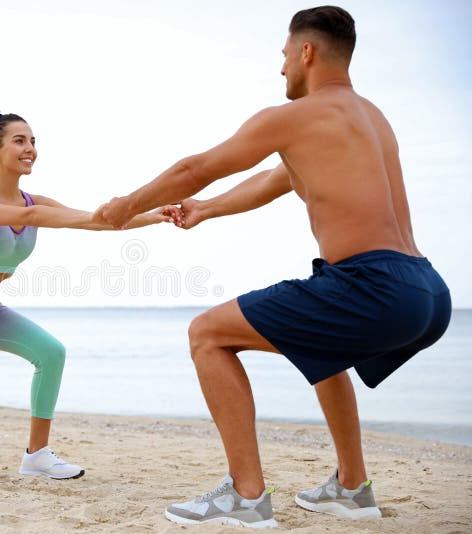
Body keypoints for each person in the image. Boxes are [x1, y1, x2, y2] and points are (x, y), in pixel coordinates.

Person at [95, 5, 451, 528]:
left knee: (208, 334)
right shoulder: (371, 119)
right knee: (321, 349)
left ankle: (245, 496)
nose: (281, 69)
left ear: (306, 52)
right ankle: (352, 488)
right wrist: (209, 209)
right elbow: (275, 179)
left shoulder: (294, 116)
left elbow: (195, 167)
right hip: (427, 290)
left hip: (373, 284)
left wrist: (125, 206)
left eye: (284, 56)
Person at [0, 107, 171, 486]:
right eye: (19, 141)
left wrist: (152, 214)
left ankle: (38, 456)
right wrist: (77, 214)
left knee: (51, 352)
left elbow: (97, 221)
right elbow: (32, 219)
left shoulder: (35, 202)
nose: (29, 148)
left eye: (32, 141)